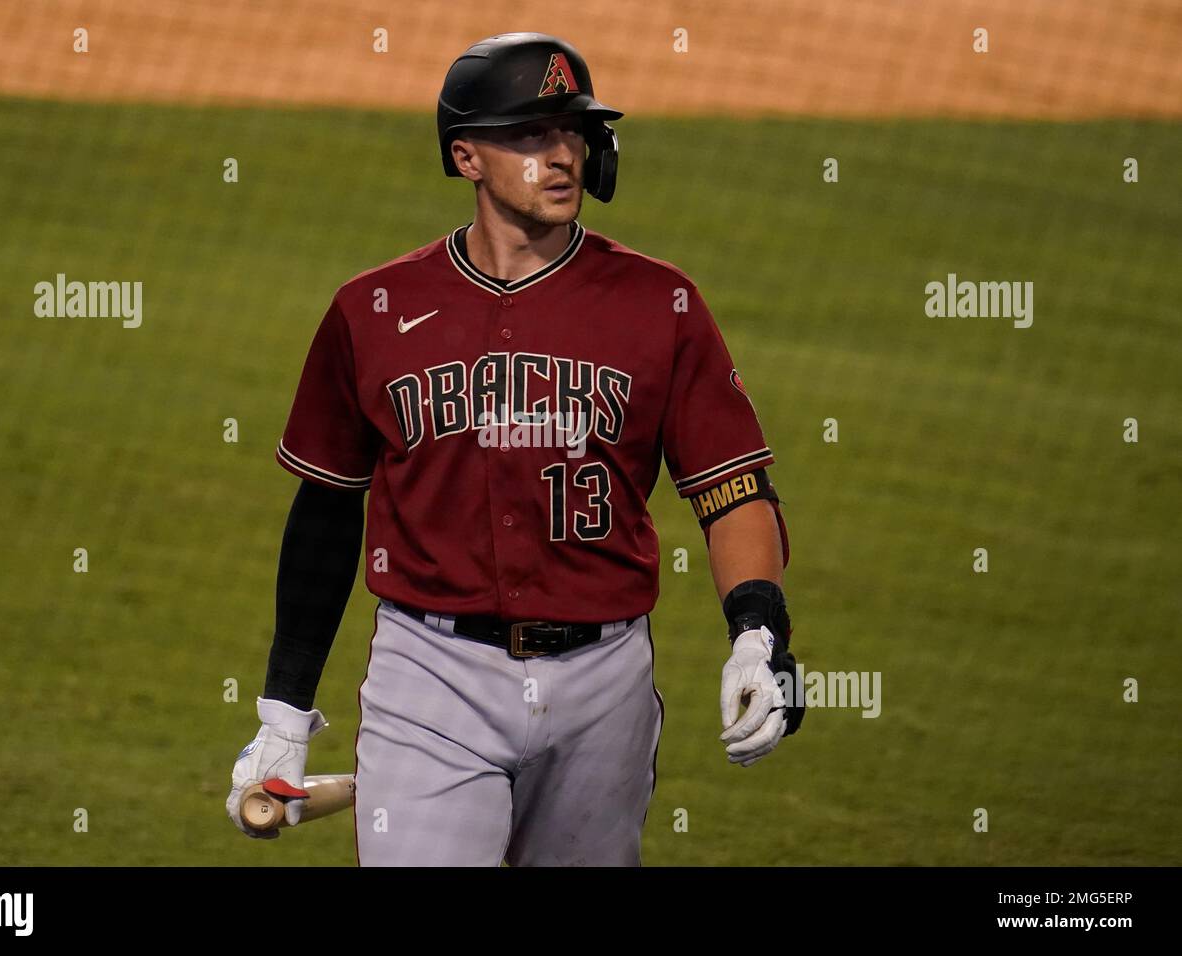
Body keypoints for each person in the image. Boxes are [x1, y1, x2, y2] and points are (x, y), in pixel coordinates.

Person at [226, 31, 804, 866]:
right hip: (431, 677)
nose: (560, 154)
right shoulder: (373, 310)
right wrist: (284, 711)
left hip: (605, 685)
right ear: (467, 155)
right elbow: (326, 507)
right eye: (530, 135)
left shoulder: (660, 304)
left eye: (572, 131)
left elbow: (732, 489)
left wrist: (759, 633)